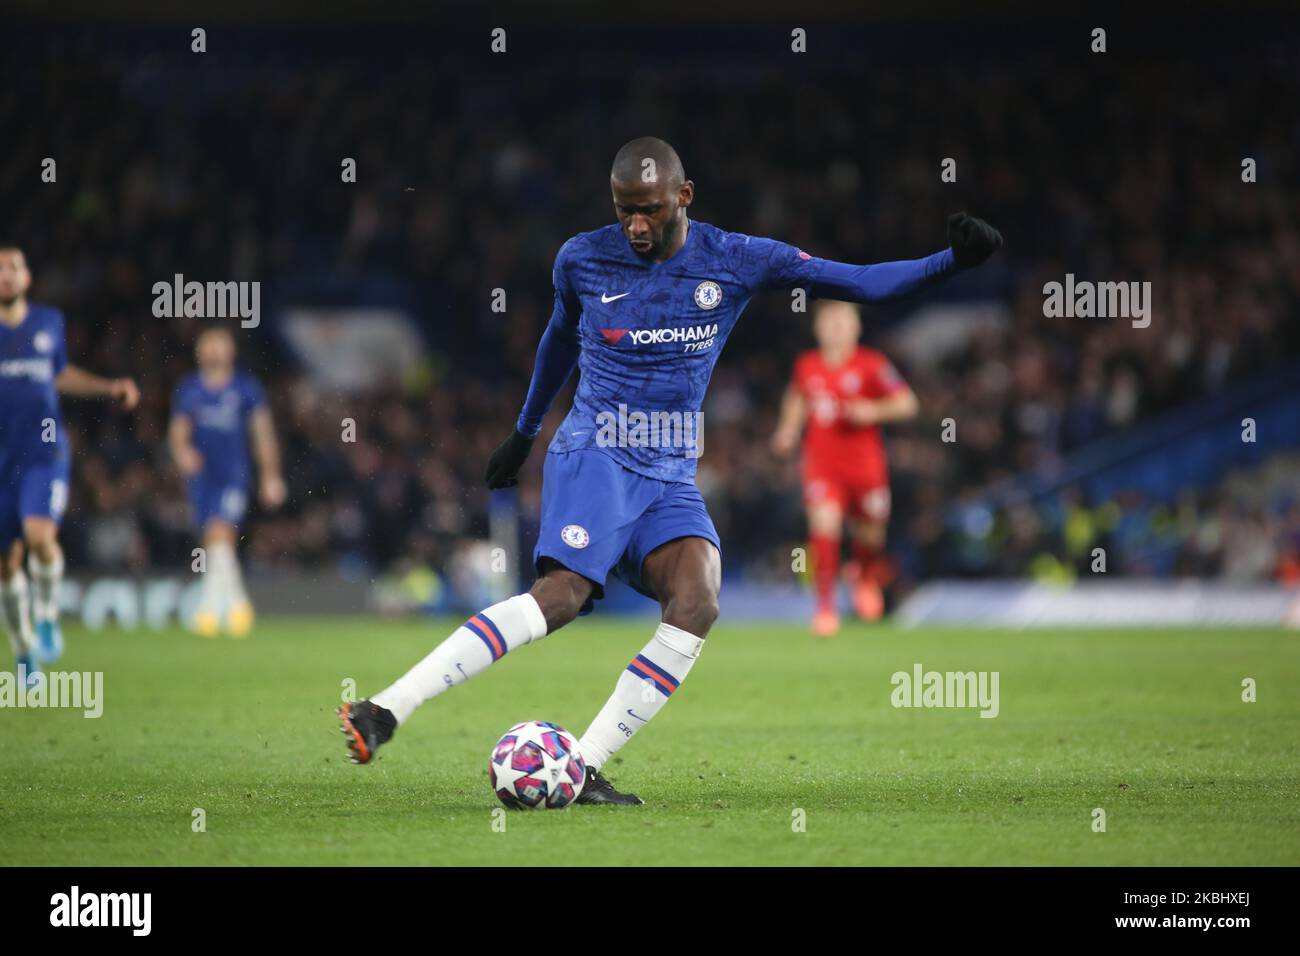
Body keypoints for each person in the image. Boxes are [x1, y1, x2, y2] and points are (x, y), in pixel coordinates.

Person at [339, 137, 1002, 805]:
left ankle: (583, 765)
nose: (636, 226)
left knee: (697, 602)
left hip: (669, 472)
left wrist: (951, 261)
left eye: (650, 210)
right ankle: (388, 709)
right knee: (563, 597)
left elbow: (857, 281)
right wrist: (525, 432)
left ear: (684, 197)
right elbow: (559, 340)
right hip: (596, 450)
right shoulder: (583, 258)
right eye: (625, 209)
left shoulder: (739, 259)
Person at [0, 245, 139, 684]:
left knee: (40, 535)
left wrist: (107, 387)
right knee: (6, 562)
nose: (6, 274)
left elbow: (58, 374)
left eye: (14, 267)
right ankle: (24, 652)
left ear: (27, 278)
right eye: (0, 269)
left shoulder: (48, 322)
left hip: (43, 451)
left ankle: (45, 617)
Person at [772, 300, 919, 636]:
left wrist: (872, 411)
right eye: (829, 322)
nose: (836, 328)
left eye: (843, 321)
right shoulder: (807, 365)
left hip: (866, 467)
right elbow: (797, 397)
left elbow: (908, 404)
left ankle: (865, 575)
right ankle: (825, 609)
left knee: (871, 534)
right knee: (825, 527)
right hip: (823, 464)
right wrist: (788, 429)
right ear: (818, 328)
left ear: (856, 327)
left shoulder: (872, 364)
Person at [169, 326, 285, 637]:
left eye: (220, 345)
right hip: (202, 477)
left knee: (219, 531)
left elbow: (263, 434)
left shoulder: (246, 389)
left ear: (231, 351)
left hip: (233, 474)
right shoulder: (189, 389)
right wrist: (182, 453)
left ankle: (208, 608)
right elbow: (178, 432)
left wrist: (271, 476)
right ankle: (237, 604)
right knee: (213, 540)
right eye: (208, 345)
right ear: (199, 352)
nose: (214, 351)